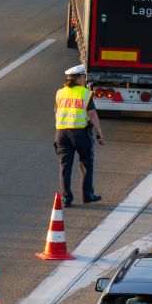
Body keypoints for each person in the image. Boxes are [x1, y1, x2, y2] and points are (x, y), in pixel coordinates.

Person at [54, 65, 105, 207]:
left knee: (65, 166)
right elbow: (92, 114)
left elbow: (56, 111)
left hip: (61, 133)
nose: (84, 79)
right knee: (87, 163)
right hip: (80, 133)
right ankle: (87, 195)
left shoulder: (60, 92)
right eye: (83, 76)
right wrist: (100, 133)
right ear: (78, 78)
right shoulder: (85, 93)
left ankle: (66, 199)